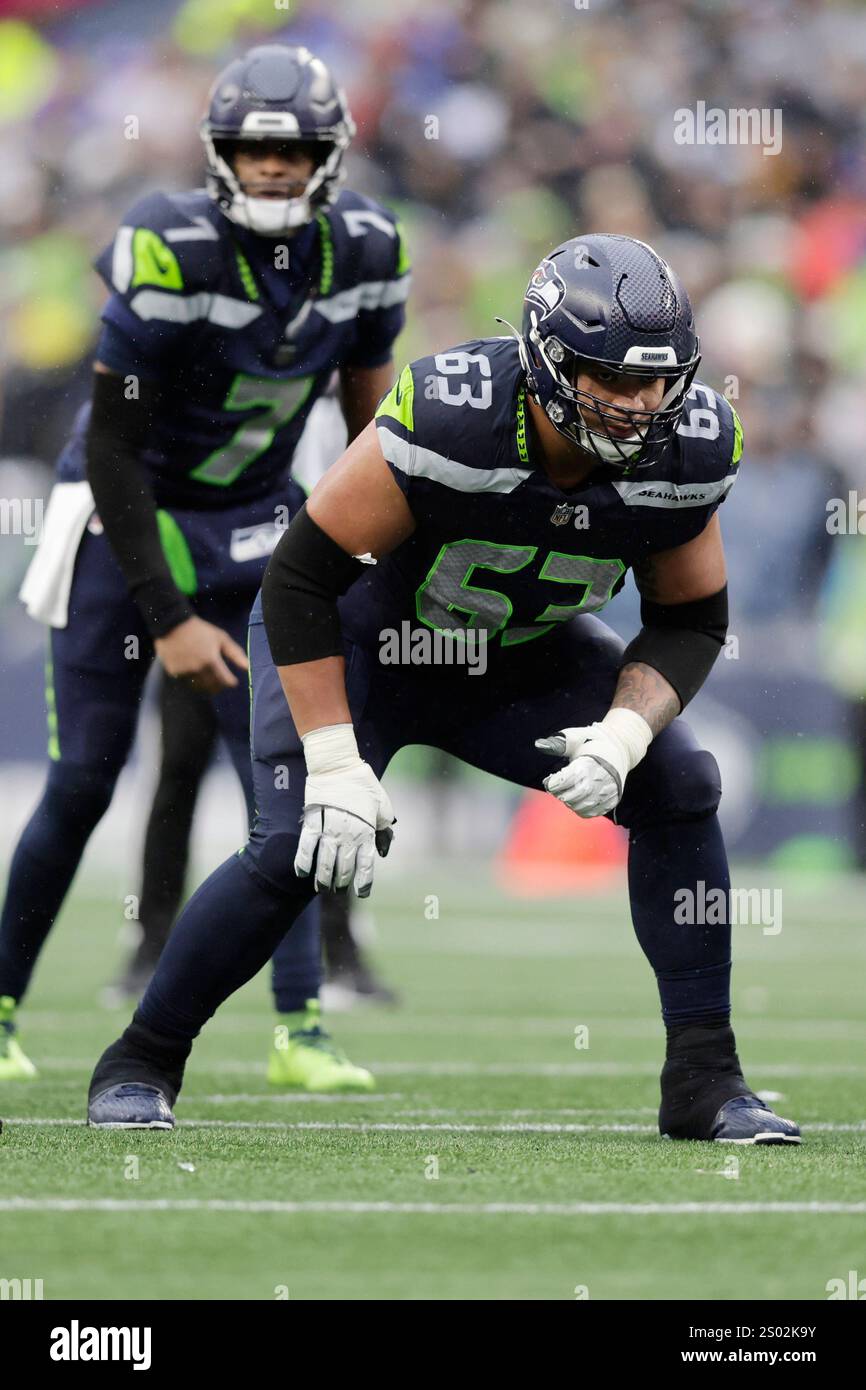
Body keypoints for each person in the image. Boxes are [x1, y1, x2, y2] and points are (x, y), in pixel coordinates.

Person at [87, 233, 800, 1145]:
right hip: (366, 641)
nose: (638, 405)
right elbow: (301, 578)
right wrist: (336, 759)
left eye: (657, 382)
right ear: (545, 360)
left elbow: (693, 618)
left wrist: (627, 730)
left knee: (681, 784)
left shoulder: (690, 448)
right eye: (610, 380)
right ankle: (142, 1060)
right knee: (295, 845)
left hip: (517, 657)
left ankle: (705, 1079)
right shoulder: (458, 412)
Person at [0, 44, 410, 1092]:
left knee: (290, 784)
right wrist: (168, 615)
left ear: (328, 155)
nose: (272, 166)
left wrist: (374, 553)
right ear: (220, 153)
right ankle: (0, 1009)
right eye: (252, 147)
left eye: (293, 148)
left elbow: (370, 419)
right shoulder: (166, 239)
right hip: (122, 519)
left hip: (254, 524)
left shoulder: (362, 246)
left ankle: (300, 1027)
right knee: (86, 778)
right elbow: (110, 446)